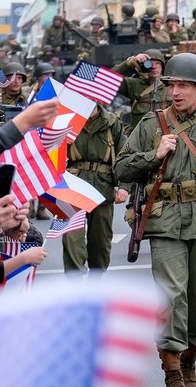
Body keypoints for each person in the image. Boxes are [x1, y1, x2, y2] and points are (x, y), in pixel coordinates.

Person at [113, 53, 196, 387]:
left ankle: (189, 363)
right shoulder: (152, 125)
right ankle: (173, 372)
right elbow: (121, 169)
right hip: (165, 222)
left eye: (184, 86)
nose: (175, 92)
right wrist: (154, 154)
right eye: (171, 85)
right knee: (171, 296)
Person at [62, 104, 127, 278]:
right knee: (71, 238)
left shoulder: (112, 122)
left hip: (103, 187)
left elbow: (124, 155)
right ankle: (75, 282)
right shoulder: (68, 120)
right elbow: (52, 151)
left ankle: (96, 280)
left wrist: (124, 186)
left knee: (100, 241)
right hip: (74, 184)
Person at [113, 49, 170, 129]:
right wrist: (128, 64)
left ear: (162, 67)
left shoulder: (170, 87)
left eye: (157, 63)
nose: (154, 67)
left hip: (164, 135)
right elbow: (107, 78)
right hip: (139, 135)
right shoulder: (134, 85)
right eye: (150, 63)